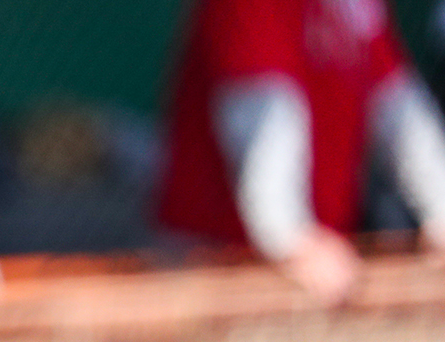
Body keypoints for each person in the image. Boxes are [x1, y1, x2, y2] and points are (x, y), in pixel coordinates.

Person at [156, 0, 445, 302]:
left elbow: (398, 104)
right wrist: (292, 238)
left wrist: (441, 211)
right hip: (216, 258)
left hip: (320, 258)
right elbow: (263, 109)